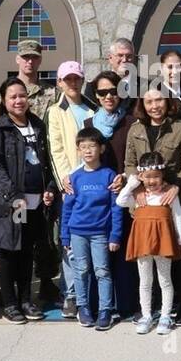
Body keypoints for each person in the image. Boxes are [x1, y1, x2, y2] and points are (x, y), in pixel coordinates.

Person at [124, 84, 181, 323]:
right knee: (148, 256)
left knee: (178, 256)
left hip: (175, 199)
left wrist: (176, 185)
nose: (154, 106)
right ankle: (151, 308)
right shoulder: (135, 130)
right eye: (148, 102)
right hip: (146, 204)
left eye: (158, 100)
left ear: (167, 102)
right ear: (142, 105)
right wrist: (136, 191)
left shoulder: (180, 127)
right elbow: (129, 164)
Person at [0, 77, 56, 324]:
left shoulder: (37, 125)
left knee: (28, 250)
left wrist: (49, 187)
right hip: (15, 203)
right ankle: (10, 303)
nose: (19, 100)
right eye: (13, 97)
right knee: (9, 251)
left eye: (22, 95)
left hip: (36, 201)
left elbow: (47, 161)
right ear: (4, 102)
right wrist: (13, 197)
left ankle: (26, 299)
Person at [84, 70, 139, 316]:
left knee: (123, 250)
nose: (108, 96)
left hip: (124, 195)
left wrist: (126, 178)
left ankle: (126, 305)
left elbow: (137, 158)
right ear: (95, 95)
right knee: (100, 253)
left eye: (113, 91)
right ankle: (100, 305)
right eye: (102, 92)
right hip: (97, 200)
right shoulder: (88, 124)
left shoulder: (130, 122)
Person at [45, 60, 98, 317]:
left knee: (92, 241)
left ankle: (90, 294)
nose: (73, 83)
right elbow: (55, 149)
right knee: (69, 243)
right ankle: (71, 294)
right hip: (71, 188)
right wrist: (66, 181)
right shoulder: (55, 111)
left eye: (76, 78)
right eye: (67, 79)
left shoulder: (93, 109)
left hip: (94, 184)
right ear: (60, 82)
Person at [118, 152, 181, 336]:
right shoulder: (138, 196)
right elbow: (120, 201)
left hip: (164, 241)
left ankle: (165, 315)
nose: (151, 181)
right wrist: (132, 184)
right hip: (143, 242)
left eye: (155, 176)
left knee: (165, 279)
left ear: (162, 175)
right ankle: (147, 315)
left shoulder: (169, 194)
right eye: (147, 177)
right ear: (142, 176)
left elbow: (177, 216)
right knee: (145, 281)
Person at [60, 127, 123, 330]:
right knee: (81, 270)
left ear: (102, 148)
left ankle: (105, 310)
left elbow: (116, 208)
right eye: (83, 147)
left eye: (92, 146)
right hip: (77, 233)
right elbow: (67, 209)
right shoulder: (74, 177)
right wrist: (65, 236)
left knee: (102, 271)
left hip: (100, 234)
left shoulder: (109, 175)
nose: (88, 151)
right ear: (78, 150)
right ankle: (83, 307)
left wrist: (115, 235)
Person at [0, 39, 56, 121]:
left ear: (40, 60)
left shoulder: (52, 93)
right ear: (17, 59)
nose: (30, 61)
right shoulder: (3, 91)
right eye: (26, 57)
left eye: (35, 57)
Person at [85, 37, 137, 111]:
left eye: (129, 56)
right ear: (110, 58)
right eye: (120, 55)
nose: (125, 60)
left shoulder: (145, 86)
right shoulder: (93, 87)